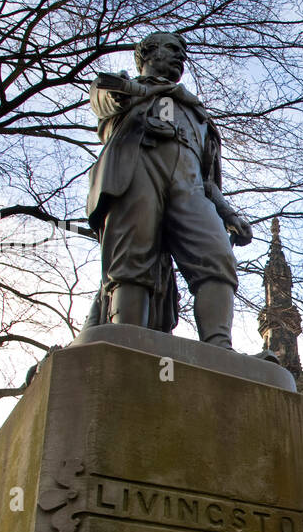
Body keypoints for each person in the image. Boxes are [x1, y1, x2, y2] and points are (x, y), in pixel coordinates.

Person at [84, 31, 254, 349]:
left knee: (217, 257)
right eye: (172, 49)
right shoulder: (125, 88)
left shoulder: (196, 113)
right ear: (147, 53)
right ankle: (128, 342)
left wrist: (228, 212)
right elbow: (103, 96)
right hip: (137, 170)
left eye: (183, 52)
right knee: (133, 258)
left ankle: (219, 348)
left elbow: (208, 179)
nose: (180, 57)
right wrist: (119, 93)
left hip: (190, 189)